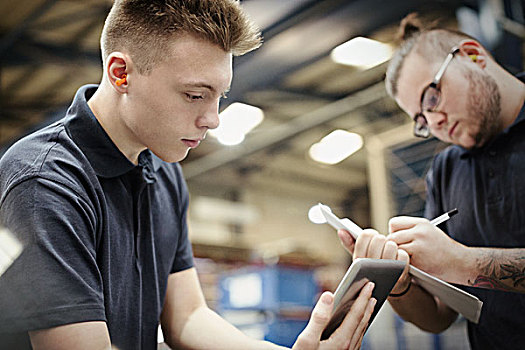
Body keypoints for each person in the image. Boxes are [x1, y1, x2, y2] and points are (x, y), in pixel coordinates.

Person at [0, 1, 377, 349]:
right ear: (121, 74)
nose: (212, 119)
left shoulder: (164, 172)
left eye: (220, 97)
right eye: (195, 95)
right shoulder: (44, 182)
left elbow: (188, 317)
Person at [336, 14, 525, 350]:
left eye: (432, 98)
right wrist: (398, 281)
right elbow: (439, 316)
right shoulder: (446, 171)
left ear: (473, 56)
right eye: (421, 120)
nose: (434, 122)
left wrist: (459, 261)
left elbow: (458, 263)